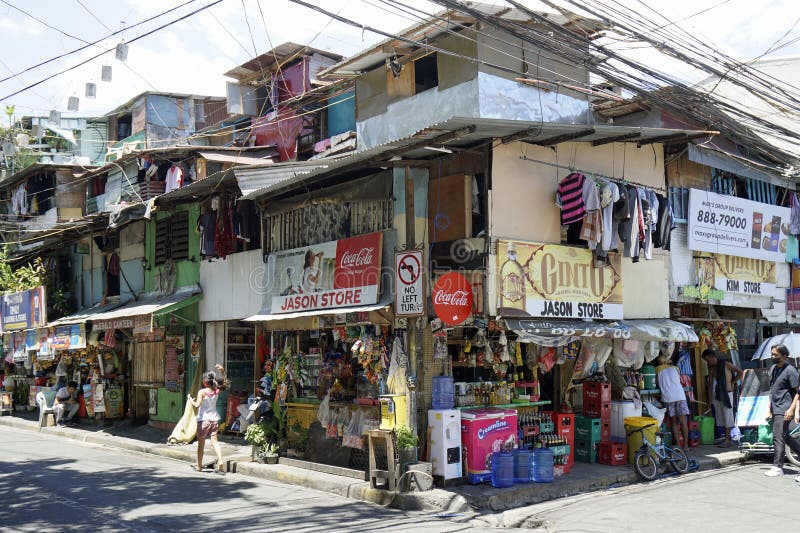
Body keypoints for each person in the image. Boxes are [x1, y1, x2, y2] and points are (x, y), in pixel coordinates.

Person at [764, 344, 799, 477]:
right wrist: (769, 408)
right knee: (785, 437)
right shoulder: (773, 368)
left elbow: (798, 392)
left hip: (785, 407)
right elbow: (773, 390)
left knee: (777, 436)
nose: (773, 357)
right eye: (772, 354)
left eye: (775, 355)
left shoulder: (791, 371)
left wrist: (791, 409)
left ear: (784, 356)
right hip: (775, 407)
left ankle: (777, 467)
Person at [188, 364, 228, 474]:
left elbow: (196, 405)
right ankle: (220, 461)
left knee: (201, 444)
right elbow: (224, 381)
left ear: (205, 381)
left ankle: (199, 466)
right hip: (214, 420)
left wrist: (190, 399)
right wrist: (223, 370)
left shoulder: (202, 392)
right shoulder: (216, 390)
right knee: (215, 442)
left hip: (203, 420)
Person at [701, 349, 742, 448]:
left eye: (707, 360)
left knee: (728, 417)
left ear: (712, 357)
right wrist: (709, 400)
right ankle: (725, 438)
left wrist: (732, 382)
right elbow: (710, 385)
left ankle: (728, 440)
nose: (707, 362)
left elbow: (740, 372)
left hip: (727, 394)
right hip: (718, 394)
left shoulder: (726, 364)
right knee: (721, 418)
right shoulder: (711, 369)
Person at [655, 353, 689, 449]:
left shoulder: (657, 369)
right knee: (683, 421)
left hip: (668, 397)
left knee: (673, 422)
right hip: (680, 395)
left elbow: (657, 383)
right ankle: (686, 445)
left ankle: (678, 445)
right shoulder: (675, 368)